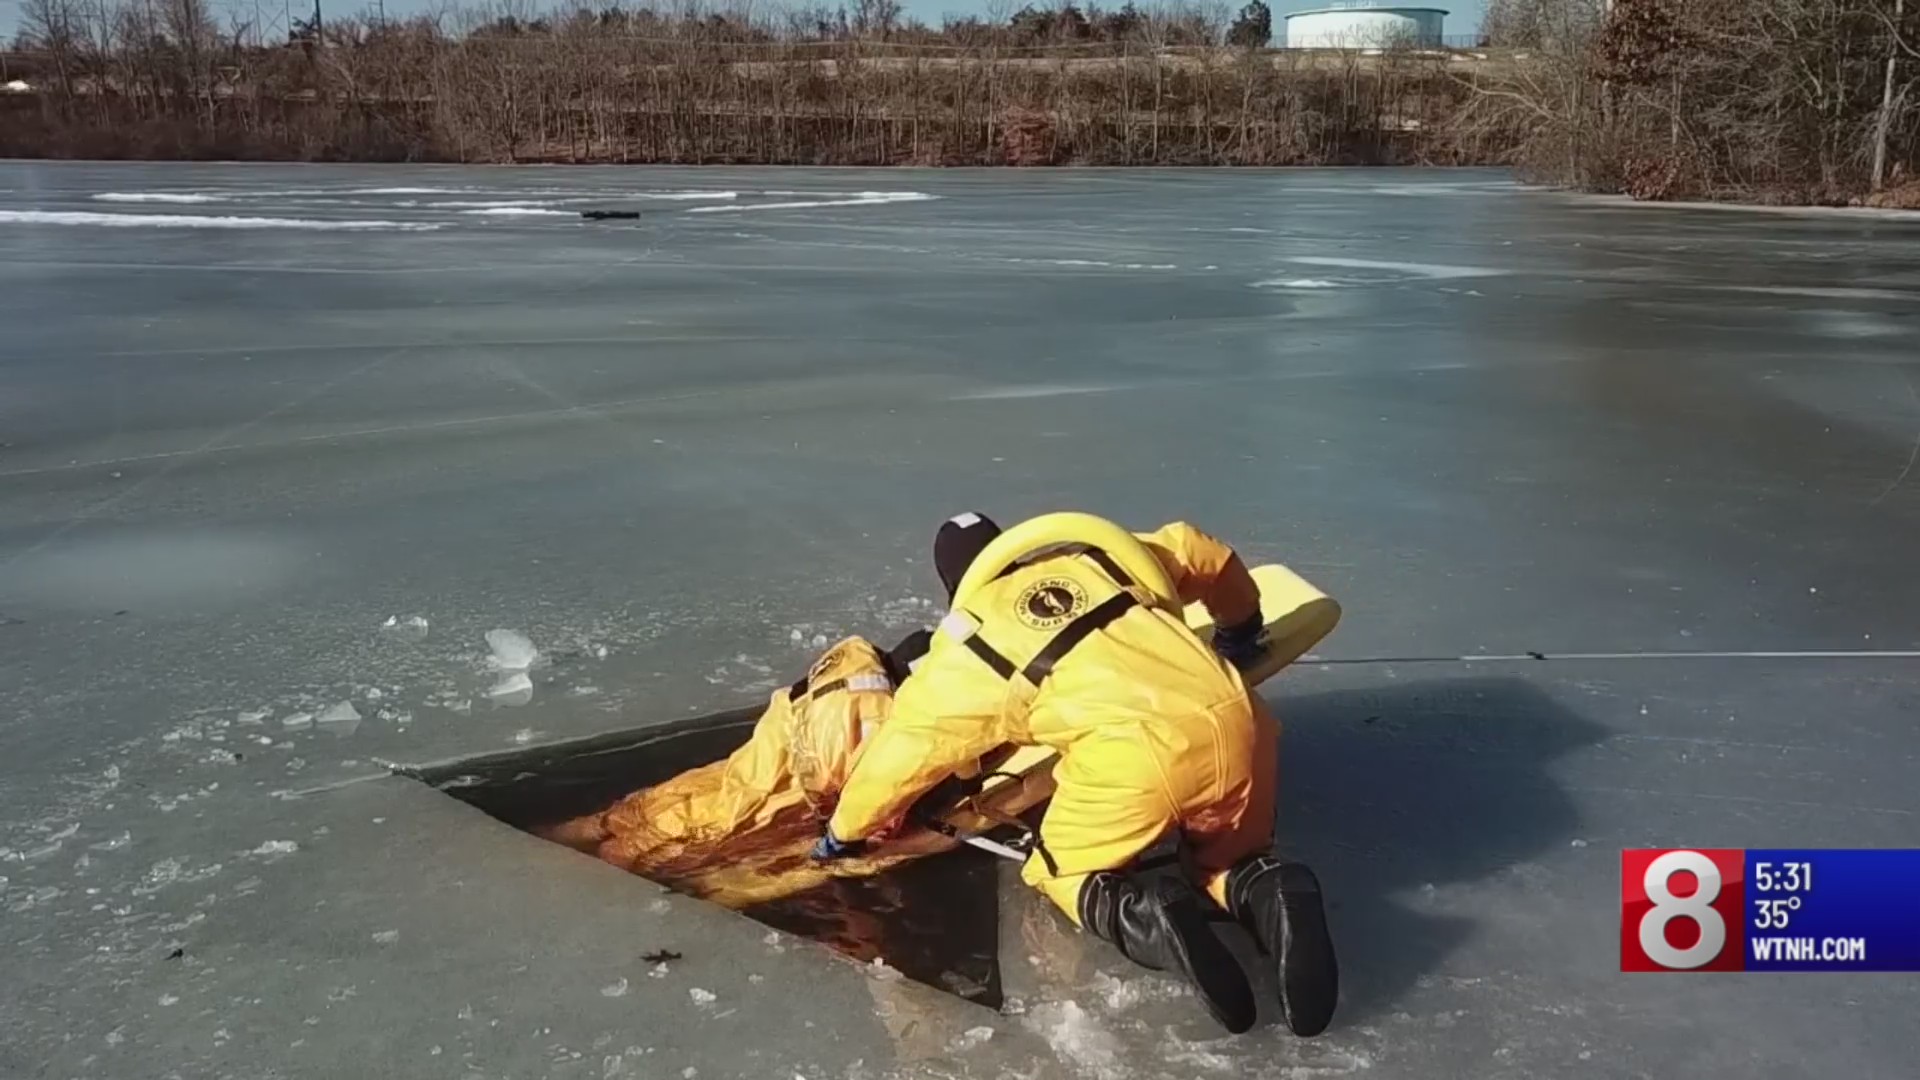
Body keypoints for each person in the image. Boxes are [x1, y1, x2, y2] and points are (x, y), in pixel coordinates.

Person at [810, 511, 1338, 1037]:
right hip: (1238, 715)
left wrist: (843, 834)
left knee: (1060, 870)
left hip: (1132, 760)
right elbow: (1202, 553)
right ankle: (1270, 887)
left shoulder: (968, 648)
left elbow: (901, 756)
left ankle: (1149, 916)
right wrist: (1240, 626)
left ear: (954, 584)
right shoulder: (1098, 558)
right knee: (1230, 859)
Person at [542, 630, 932, 884]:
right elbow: (855, 798)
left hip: (747, 766)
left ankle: (544, 845)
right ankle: (573, 888)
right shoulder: (872, 718)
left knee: (638, 811)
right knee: (642, 851)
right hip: (759, 806)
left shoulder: (854, 661)